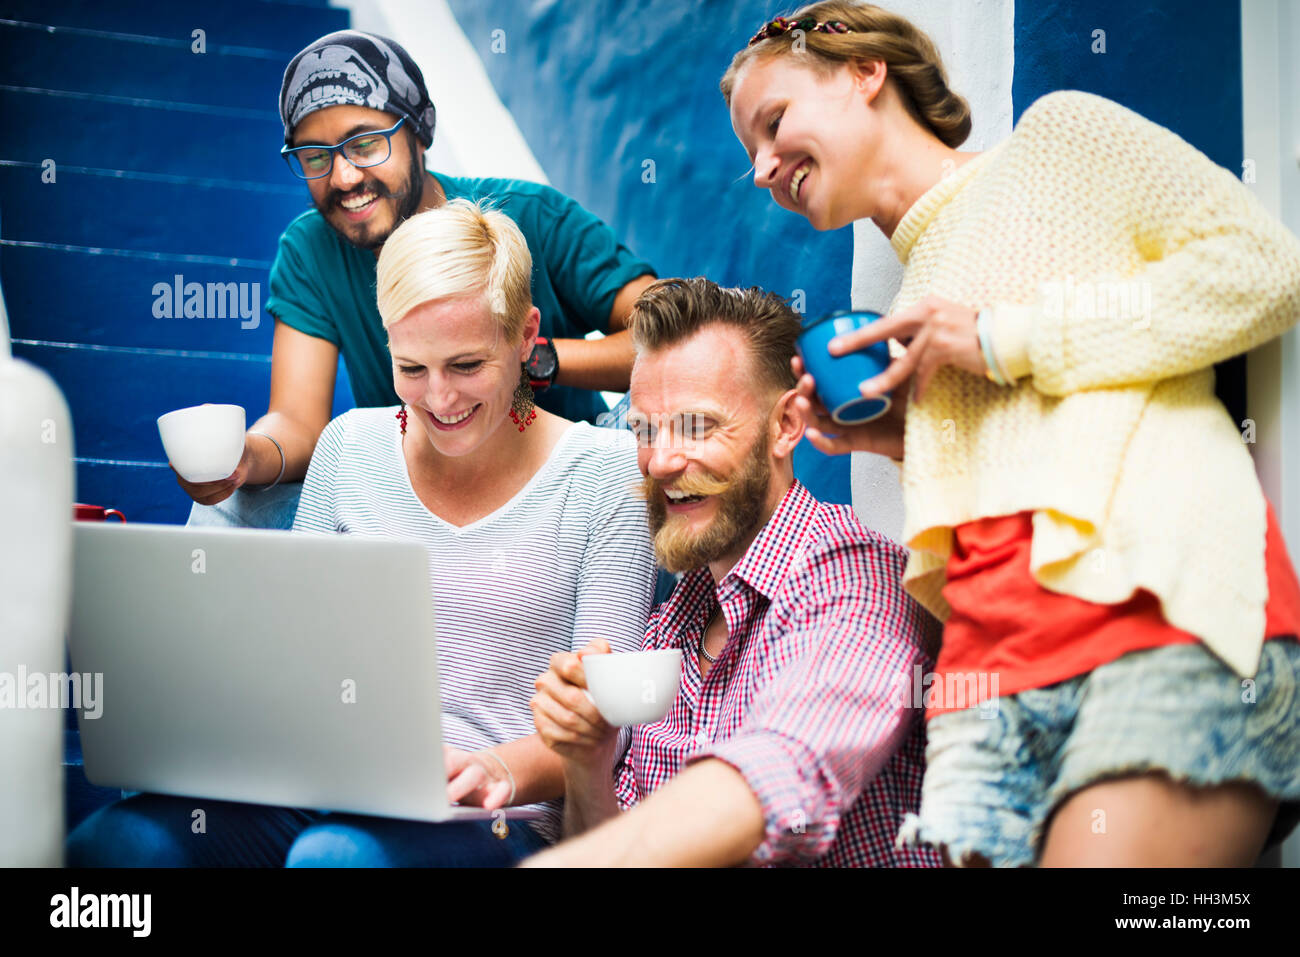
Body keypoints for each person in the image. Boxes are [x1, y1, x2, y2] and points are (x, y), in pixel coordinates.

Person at [722, 1, 1300, 866]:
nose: (763, 167)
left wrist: (1003, 338)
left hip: (1155, 625)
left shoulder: (1056, 142)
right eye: (751, 156)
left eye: (774, 123)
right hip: (982, 681)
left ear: (863, 72)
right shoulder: (918, 303)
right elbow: (1042, 450)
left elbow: (1263, 269)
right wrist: (897, 438)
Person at [67, 200, 657, 867]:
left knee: (336, 859)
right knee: (118, 844)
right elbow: (296, 660)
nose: (439, 400)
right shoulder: (350, 445)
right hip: (324, 792)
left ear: (525, 338)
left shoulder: (605, 474)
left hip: (495, 813)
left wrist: (493, 767)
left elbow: (610, 722)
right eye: (411, 368)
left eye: (466, 365)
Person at [523, 277, 941, 867]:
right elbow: (622, 834)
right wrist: (587, 761)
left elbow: (782, 768)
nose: (662, 461)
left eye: (696, 426)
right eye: (644, 429)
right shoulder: (671, 624)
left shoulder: (855, 579)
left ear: (786, 425)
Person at [180, 30, 657, 529]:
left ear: (418, 131)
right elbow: (298, 421)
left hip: (560, 498)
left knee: (665, 424)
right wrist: (247, 459)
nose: (343, 177)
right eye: (315, 156)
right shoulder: (310, 251)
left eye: (365, 144)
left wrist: (537, 358)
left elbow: (674, 339)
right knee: (234, 506)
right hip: (414, 506)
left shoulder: (530, 215)